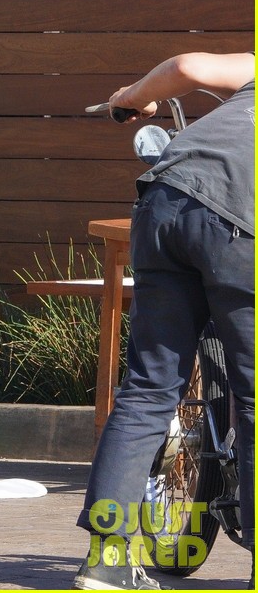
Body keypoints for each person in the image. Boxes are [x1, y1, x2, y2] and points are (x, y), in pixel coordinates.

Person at [72, 52, 255, 590]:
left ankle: (106, 560)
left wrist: (132, 98)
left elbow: (189, 66)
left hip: (164, 201)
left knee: (149, 389)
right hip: (238, 222)